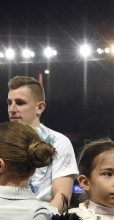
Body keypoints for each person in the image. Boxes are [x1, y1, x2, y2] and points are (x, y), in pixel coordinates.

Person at [6, 75, 78, 212]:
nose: (12, 109)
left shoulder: (59, 142)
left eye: (20, 103)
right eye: (9, 103)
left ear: (40, 107)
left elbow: (62, 197)